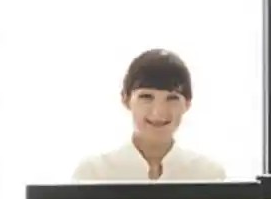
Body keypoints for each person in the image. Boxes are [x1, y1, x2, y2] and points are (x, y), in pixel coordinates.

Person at [72, 49, 226, 182]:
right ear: (125, 100)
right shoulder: (94, 174)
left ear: (187, 103)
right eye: (146, 97)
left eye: (172, 98)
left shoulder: (209, 175)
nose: (158, 112)